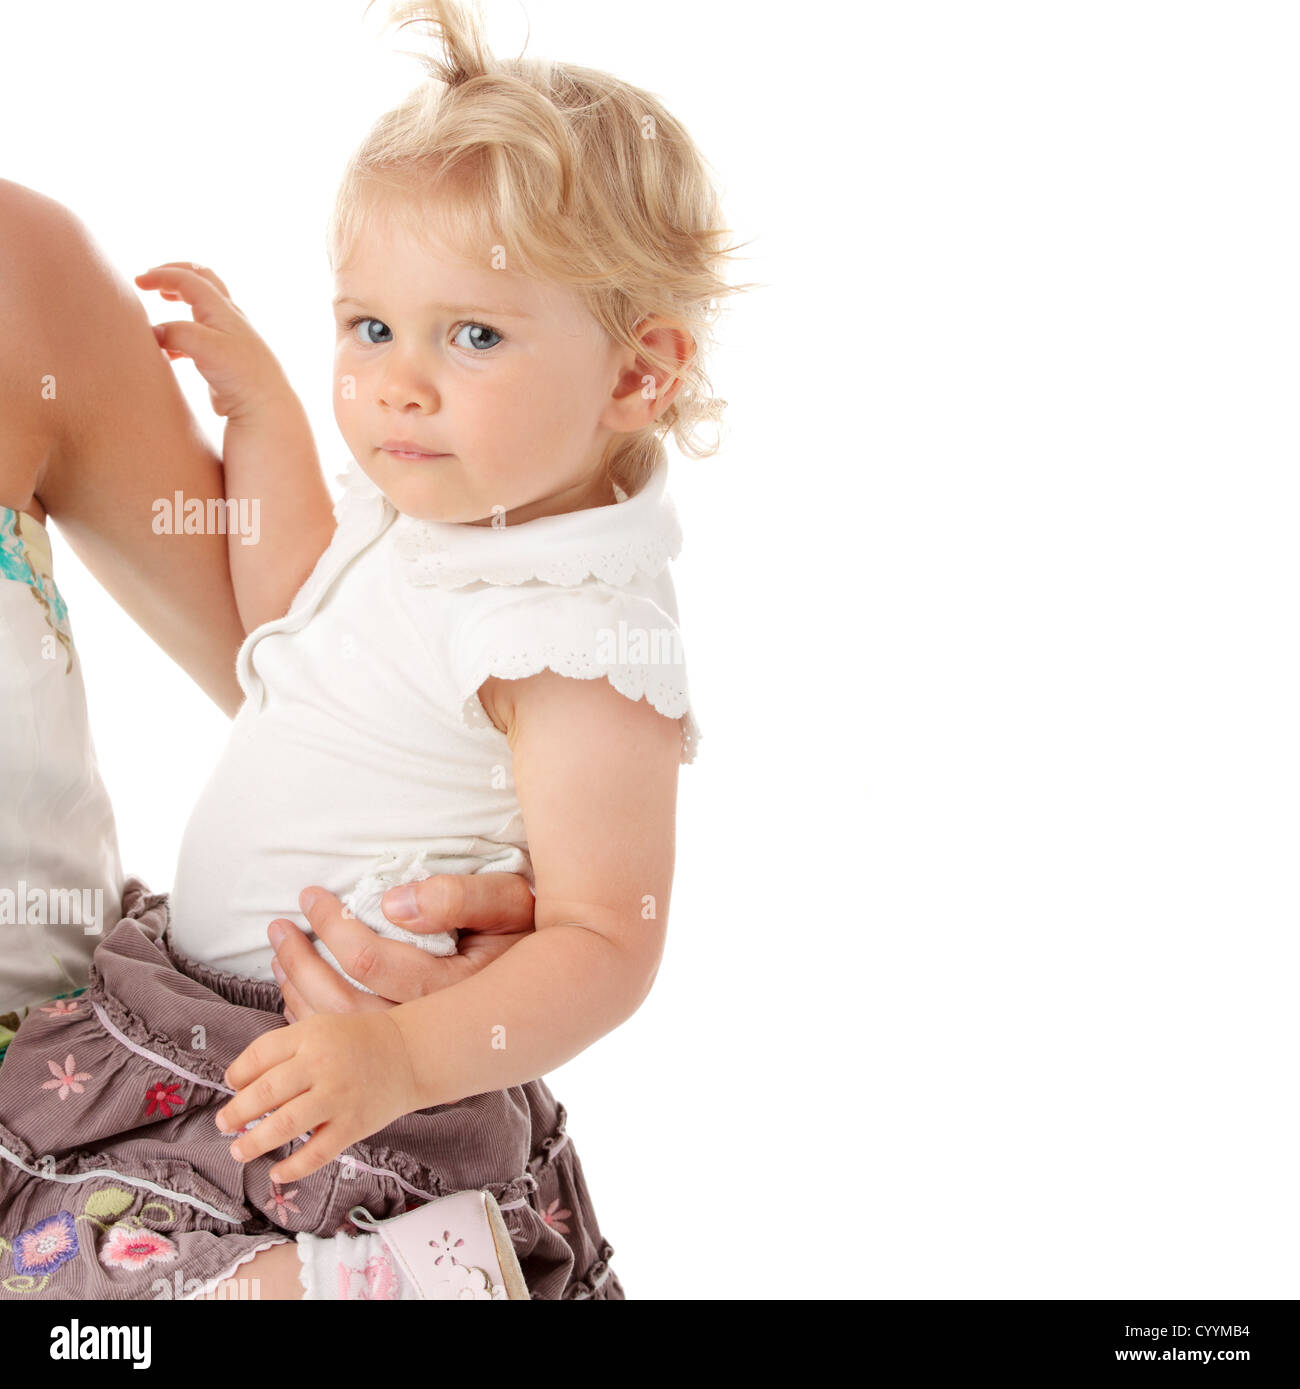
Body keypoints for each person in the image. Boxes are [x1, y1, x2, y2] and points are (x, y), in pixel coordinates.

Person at [0, 0, 744, 1300]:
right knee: (94, 1253)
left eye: (474, 335)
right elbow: (287, 619)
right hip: (202, 1018)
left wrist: (401, 1064)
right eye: (368, 327)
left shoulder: (569, 629)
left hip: (355, 1080)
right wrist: (266, 412)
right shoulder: (443, 518)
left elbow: (605, 936)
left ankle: (406, 1273)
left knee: (144, 1278)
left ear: (637, 378)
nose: (396, 385)